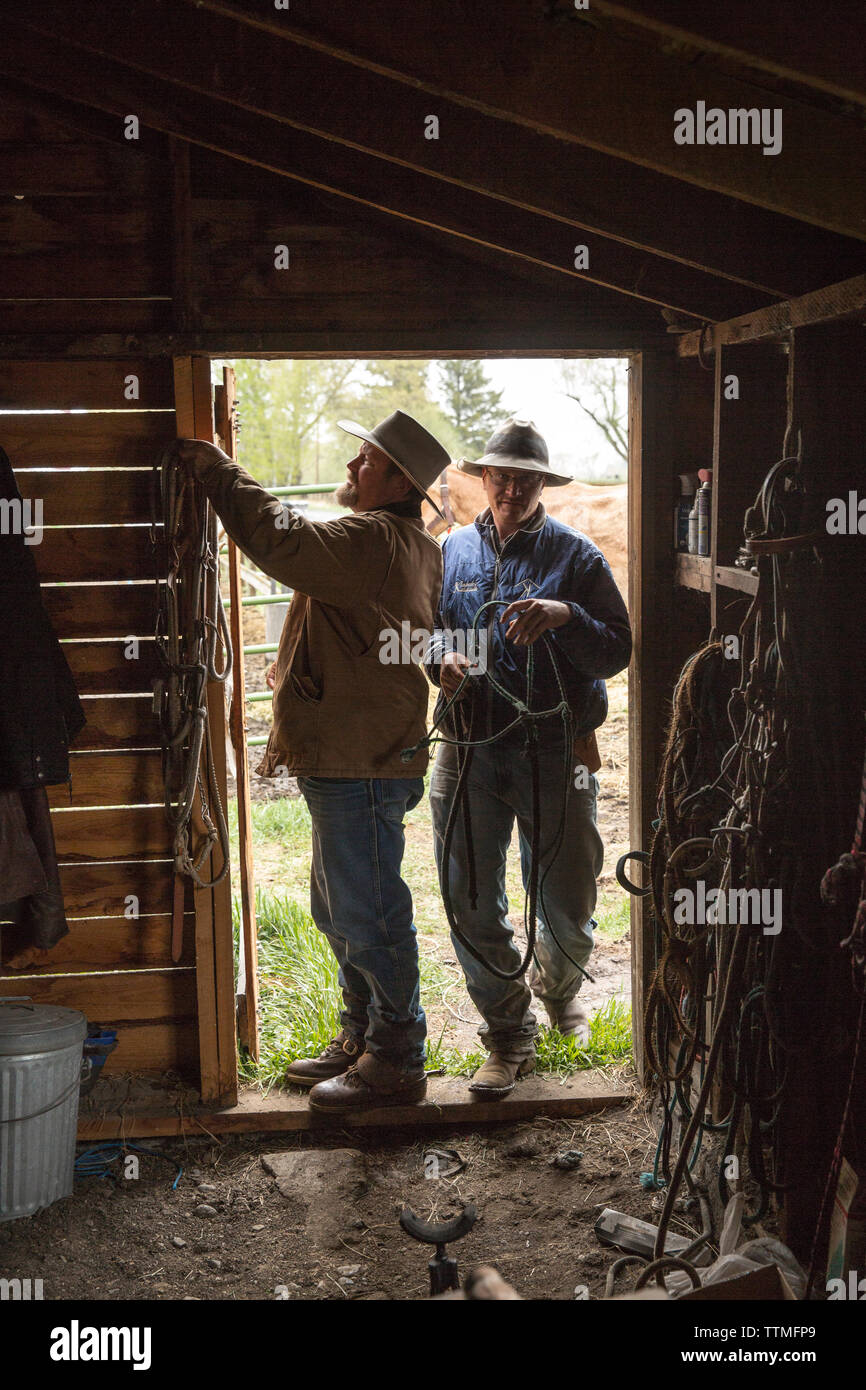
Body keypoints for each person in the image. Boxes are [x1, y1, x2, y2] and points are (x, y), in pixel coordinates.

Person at [173, 410, 448, 1113]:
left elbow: (280, 540)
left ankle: (395, 1054)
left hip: (361, 756)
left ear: (398, 482)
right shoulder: (404, 541)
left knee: (368, 907)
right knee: (340, 905)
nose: (352, 469)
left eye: (367, 461)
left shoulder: (372, 536)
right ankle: (362, 1032)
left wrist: (216, 468)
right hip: (358, 750)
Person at [427, 418, 631, 1098]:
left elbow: (617, 650)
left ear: (544, 484)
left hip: (557, 746)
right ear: (483, 479)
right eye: (500, 476)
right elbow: (420, 634)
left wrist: (567, 615)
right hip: (468, 747)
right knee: (468, 895)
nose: (511, 488)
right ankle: (508, 1033)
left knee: (567, 894)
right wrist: (439, 659)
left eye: (525, 478)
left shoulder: (577, 556)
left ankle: (559, 985)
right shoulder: (449, 550)